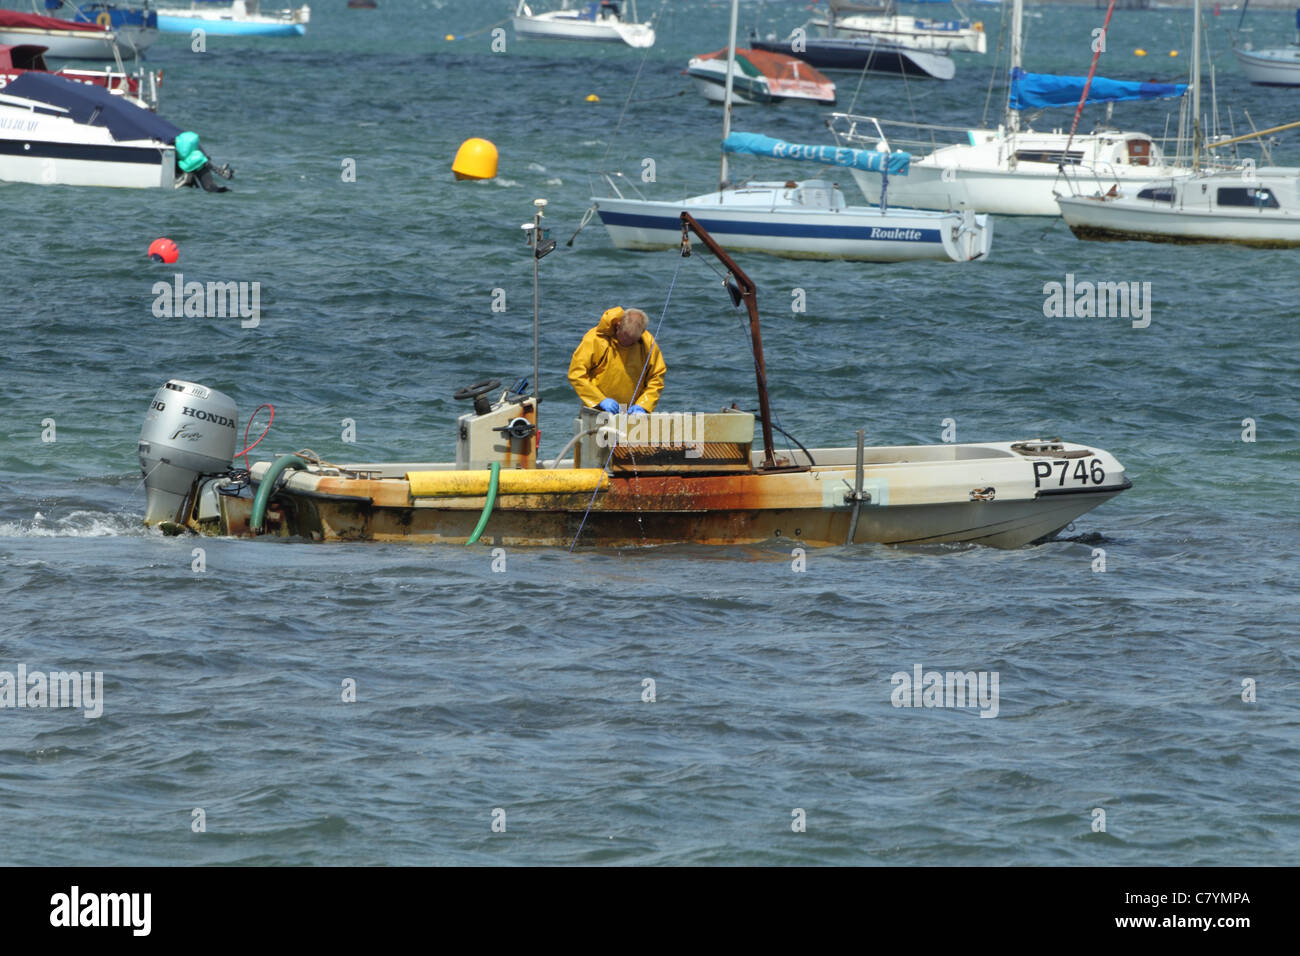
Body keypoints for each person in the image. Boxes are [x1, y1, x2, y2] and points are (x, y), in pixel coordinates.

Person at [568, 306, 665, 416]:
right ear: (618, 326)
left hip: (631, 411)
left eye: (632, 341)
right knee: (595, 432)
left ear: (641, 333)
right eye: (624, 337)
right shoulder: (595, 339)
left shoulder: (647, 343)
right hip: (596, 408)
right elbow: (576, 374)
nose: (626, 343)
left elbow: (656, 377)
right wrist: (600, 400)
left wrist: (643, 405)